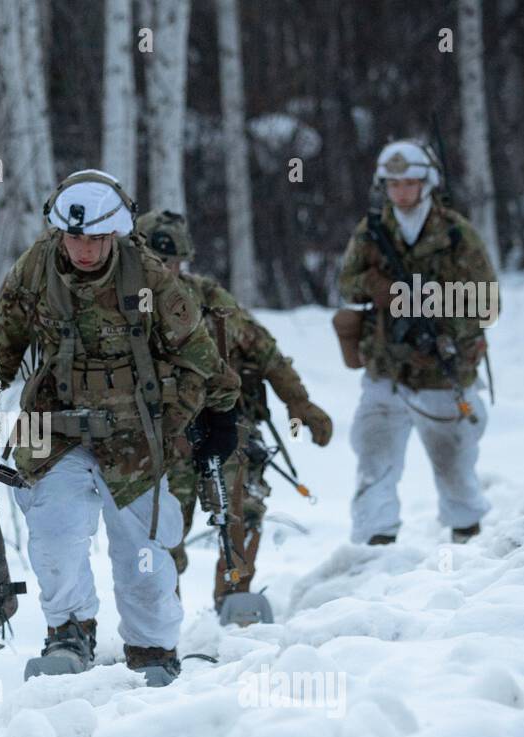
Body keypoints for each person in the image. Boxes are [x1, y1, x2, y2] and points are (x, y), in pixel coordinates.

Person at [0, 171, 240, 686]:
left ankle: (152, 647)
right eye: (76, 237)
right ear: (60, 231)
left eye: (98, 239)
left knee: (143, 551)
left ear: (116, 234)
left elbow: (198, 354)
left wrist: (215, 413)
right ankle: (68, 632)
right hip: (51, 425)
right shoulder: (35, 270)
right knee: (54, 539)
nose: (85, 249)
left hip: (136, 432)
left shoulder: (147, 276)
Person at [136, 210, 331, 608]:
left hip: (223, 424)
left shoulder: (211, 301)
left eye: (170, 262)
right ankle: (158, 620)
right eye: (154, 263)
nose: (164, 271)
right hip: (157, 434)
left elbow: (265, 352)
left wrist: (300, 403)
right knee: (157, 531)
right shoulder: (124, 308)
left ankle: (235, 598)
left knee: (245, 508)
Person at [336, 139, 497, 546]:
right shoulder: (373, 230)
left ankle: (467, 535)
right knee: (374, 455)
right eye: (393, 184)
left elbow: (488, 301)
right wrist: (381, 288)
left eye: (409, 183)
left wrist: (434, 308)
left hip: (442, 366)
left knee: (454, 458)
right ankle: (376, 544)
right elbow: (347, 283)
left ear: (427, 184)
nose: (401, 192)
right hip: (386, 365)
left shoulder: (456, 233)